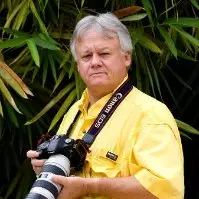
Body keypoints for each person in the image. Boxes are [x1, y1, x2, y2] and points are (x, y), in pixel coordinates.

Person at [27, 13, 184, 199]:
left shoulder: (150, 115)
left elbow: (165, 190)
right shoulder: (74, 111)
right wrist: (48, 167)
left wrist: (88, 187)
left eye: (104, 54)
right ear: (78, 66)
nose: (95, 62)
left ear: (126, 58)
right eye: (86, 56)